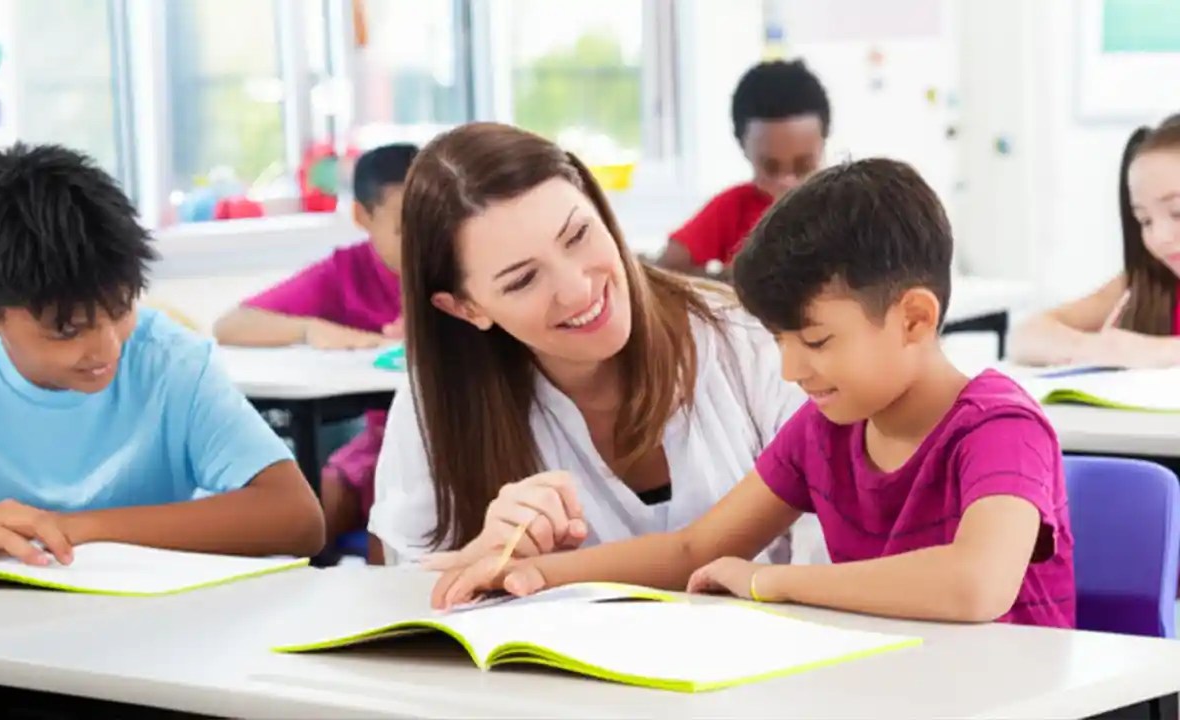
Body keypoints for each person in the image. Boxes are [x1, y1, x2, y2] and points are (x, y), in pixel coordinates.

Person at [431, 158, 1074, 629]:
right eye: (779, 340)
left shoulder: (999, 429)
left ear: (913, 319)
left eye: (817, 341)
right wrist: (534, 574)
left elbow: (976, 586)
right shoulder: (827, 429)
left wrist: (773, 582)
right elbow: (697, 548)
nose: (791, 370)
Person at [367, 122, 818, 568]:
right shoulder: (439, 401)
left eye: (578, 235)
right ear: (465, 308)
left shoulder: (742, 337)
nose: (578, 290)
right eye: (524, 279)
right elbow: (407, 590)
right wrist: (479, 556)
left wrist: (541, 574)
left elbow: (840, 530)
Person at [0, 143, 325, 581]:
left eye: (121, 310)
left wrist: (73, 531)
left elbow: (297, 517)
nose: (107, 349)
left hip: (151, 630)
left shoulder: (170, 362)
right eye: (67, 331)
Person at [214, 143, 417, 547]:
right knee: (310, 512)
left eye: (435, 222)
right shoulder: (346, 272)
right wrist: (310, 329)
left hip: (453, 444)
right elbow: (230, 325)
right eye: (403, 228)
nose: (423, 241)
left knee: (401, 514)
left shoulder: (469, 262)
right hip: (377, 446)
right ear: (362, 217)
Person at [1013, 115, 1180, 367]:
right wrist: (1099, 348)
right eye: (1145, 221)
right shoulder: (1145, 283)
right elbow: (1026, 336)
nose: (1159, 237)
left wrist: (1159, 351)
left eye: (1177, 213)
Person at [656, 59, 830, 278]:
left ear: (823, 143)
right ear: (743, 147)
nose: (787, 183)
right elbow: (664, 269)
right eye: (770, 168)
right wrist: (727, 280)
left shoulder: (843, 209)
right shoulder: (732, 209)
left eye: (803, 167)